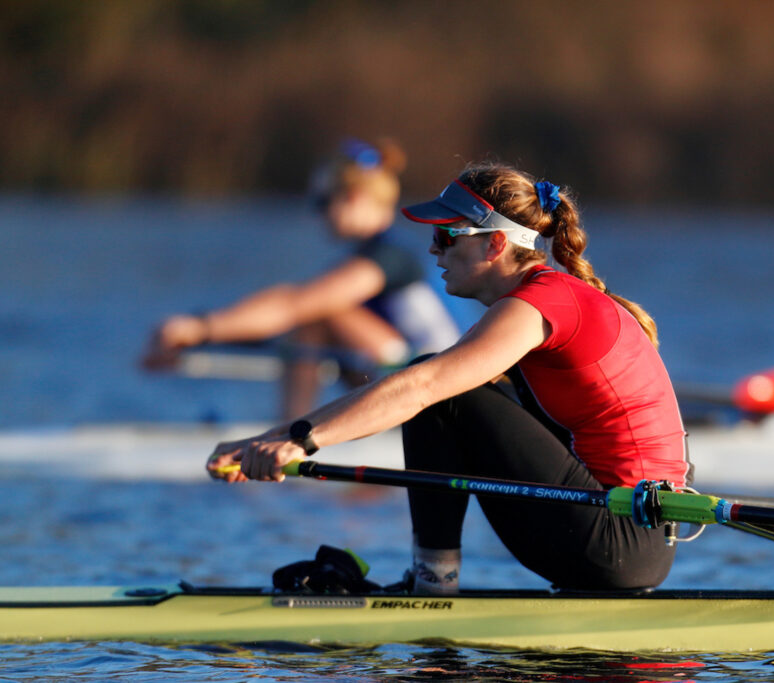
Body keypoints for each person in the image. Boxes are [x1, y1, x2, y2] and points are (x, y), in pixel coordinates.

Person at [206, 162, 691, 595]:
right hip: (616, 535)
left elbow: (422, 387)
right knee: (440, 384)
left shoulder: (542, 304)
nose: (435, 252)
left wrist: (301, 441)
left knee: (439, 391)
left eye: (446, 236)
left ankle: (432, 584)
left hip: (621, 539)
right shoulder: (542, 300)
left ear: (496, 243)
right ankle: (432, 581)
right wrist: (271, 437)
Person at [141, 138, 461, 419]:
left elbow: (293, 307)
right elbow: (281, 324)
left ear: (353, 197)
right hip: (404, 376)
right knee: (310, 318)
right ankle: (296, 431)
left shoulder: (391, 256)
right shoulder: (364, 260)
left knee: (316, 314)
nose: (317, 214)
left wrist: (199, 328)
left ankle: (291, 432)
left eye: (322, 202)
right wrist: (198, 345)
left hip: (445, 392)